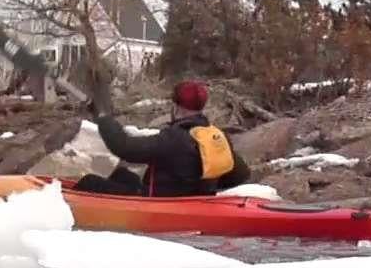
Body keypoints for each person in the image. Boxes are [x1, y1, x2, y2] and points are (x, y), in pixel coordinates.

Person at [74, 80, 251, 197]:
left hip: (160, 203)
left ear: (175, 107)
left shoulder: (174, 138)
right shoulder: (216, 136)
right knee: (122, 175)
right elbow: (241, 174)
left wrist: (103, 118)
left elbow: (124, 147)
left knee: (89, 182)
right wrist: (204, 190)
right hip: (193, 202)